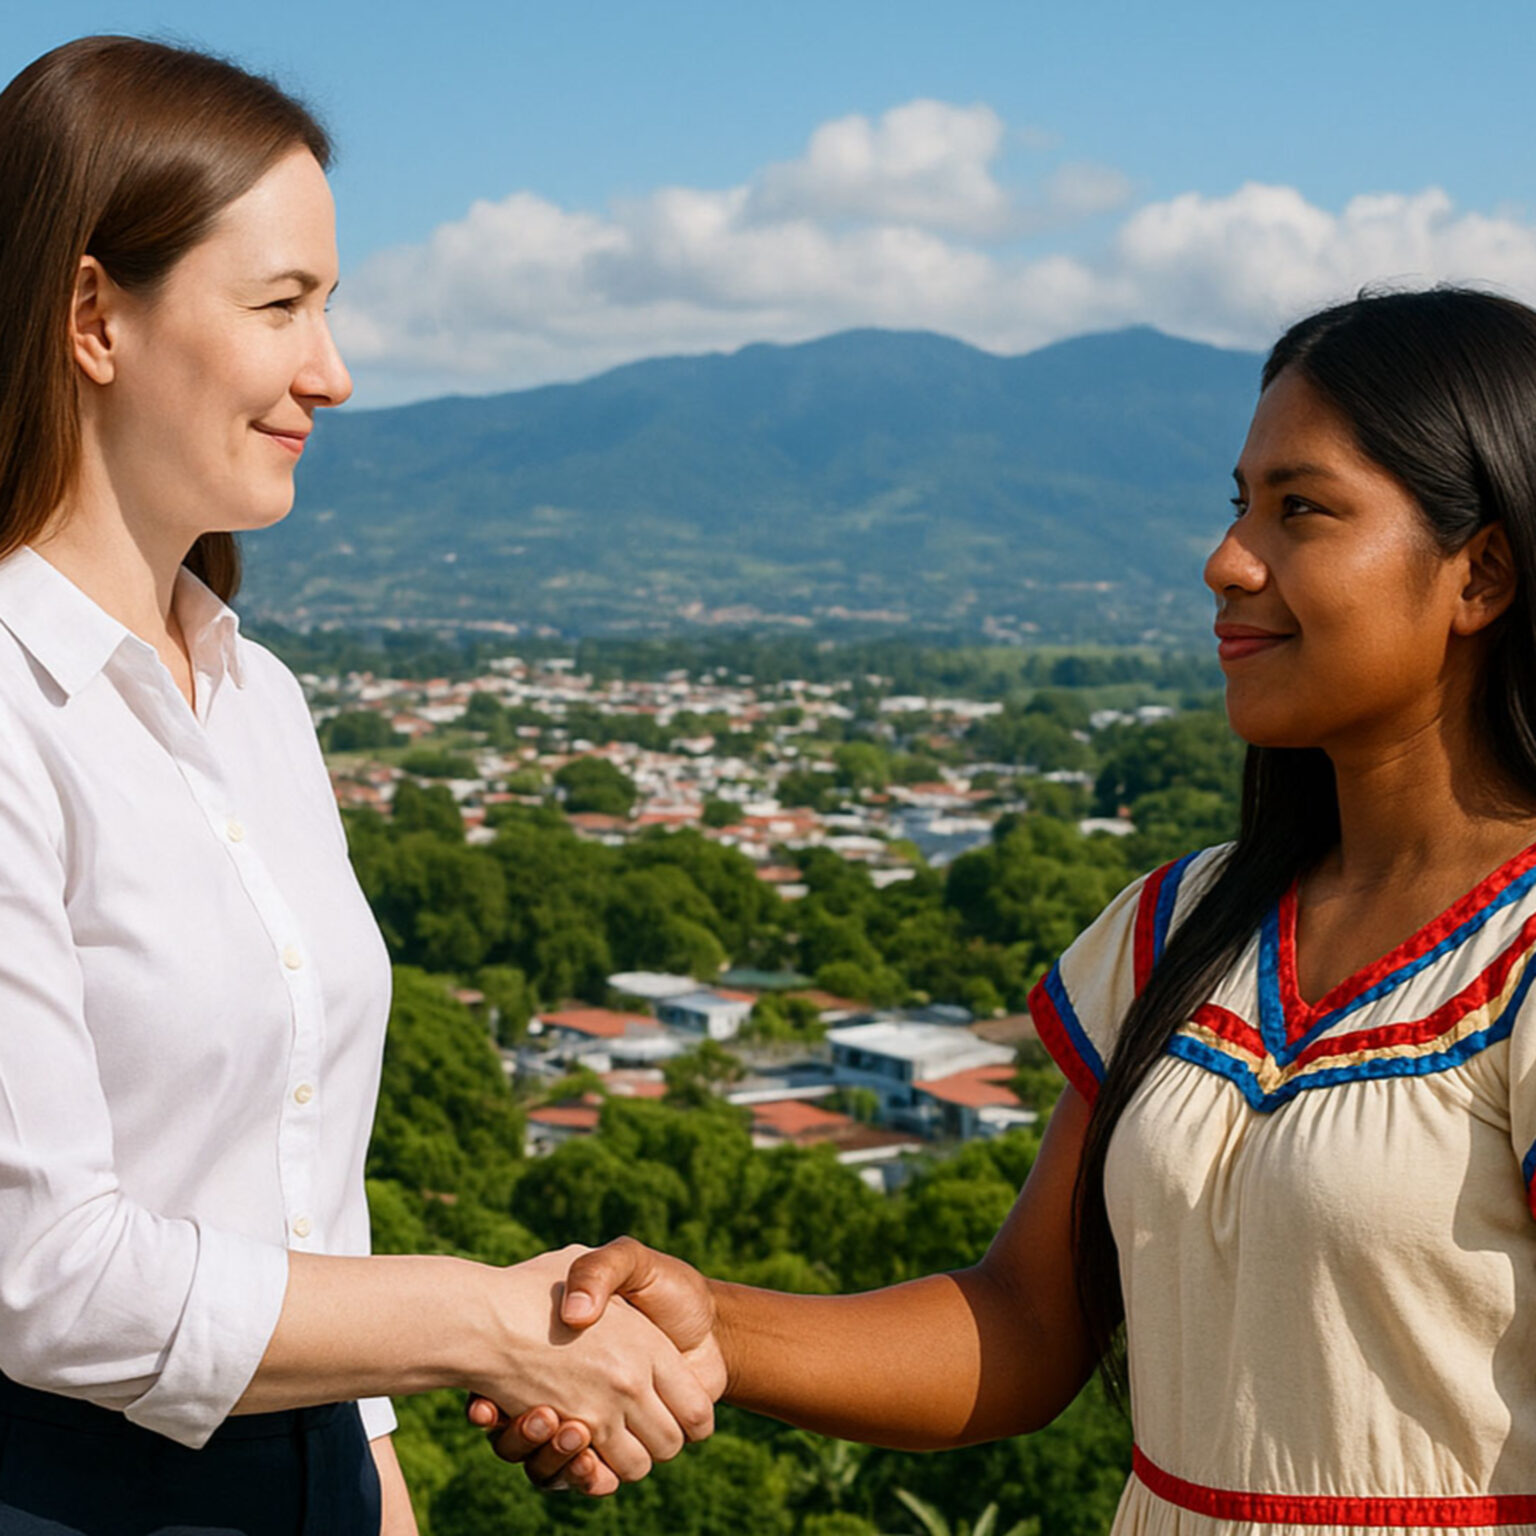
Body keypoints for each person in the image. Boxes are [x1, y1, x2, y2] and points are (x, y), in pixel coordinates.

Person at [490, 287, 1536, 1532]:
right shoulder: (1179, 926)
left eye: (1300, 508)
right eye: (1237, 503)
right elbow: (1027, 1326)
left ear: (1479, 575)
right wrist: (706, 1318)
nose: (1227, 560)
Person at [0, 35, 718, 1536]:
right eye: (283, 306)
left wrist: (375, 1468)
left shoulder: (260, 701)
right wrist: (474, 1318)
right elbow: (42, 1270)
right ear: (92, 317)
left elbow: (300, 1186)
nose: (333, 371)